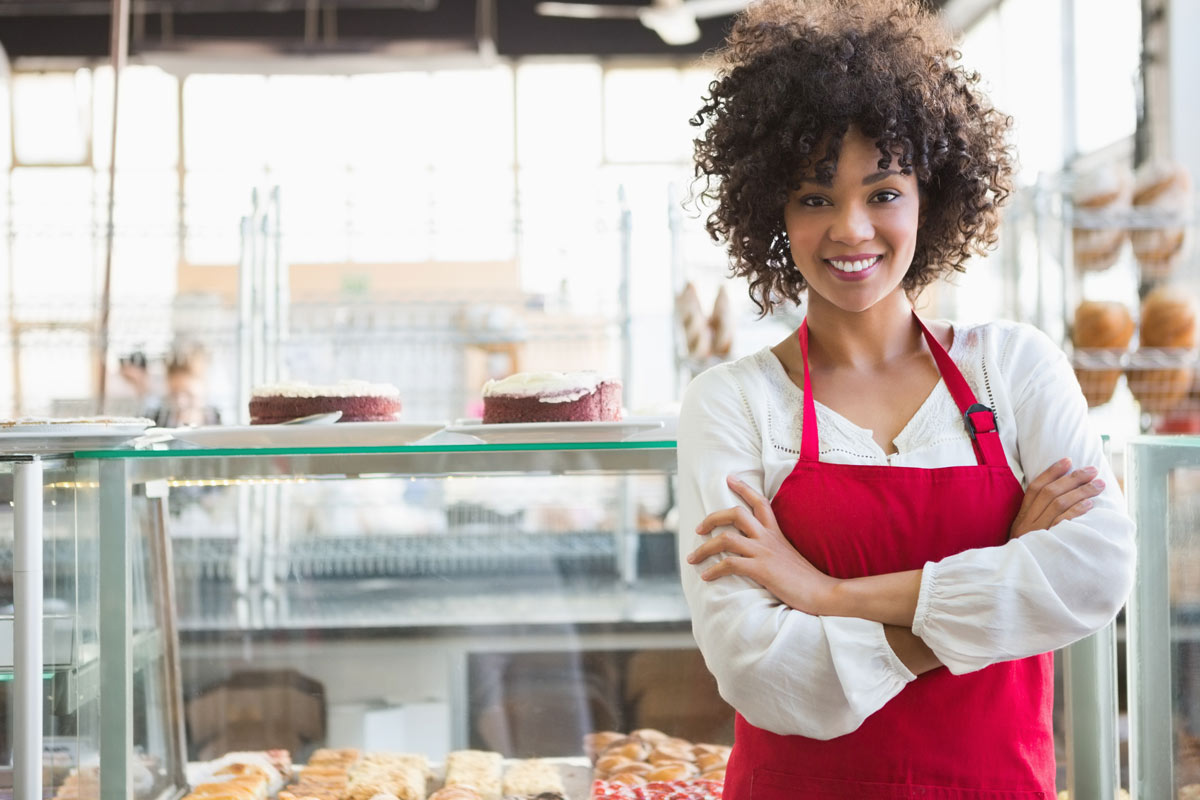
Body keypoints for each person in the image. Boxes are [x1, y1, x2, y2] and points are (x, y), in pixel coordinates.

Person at [676, 0, 1136, 796]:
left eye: (883, 191)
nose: (852, 228)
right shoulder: (730, 403)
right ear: (773, 214)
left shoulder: (1018, 369)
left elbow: (1093, 574)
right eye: (815, 197)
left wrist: (826, 597)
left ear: (932, 194)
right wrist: (999, 583)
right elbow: (761, 672)